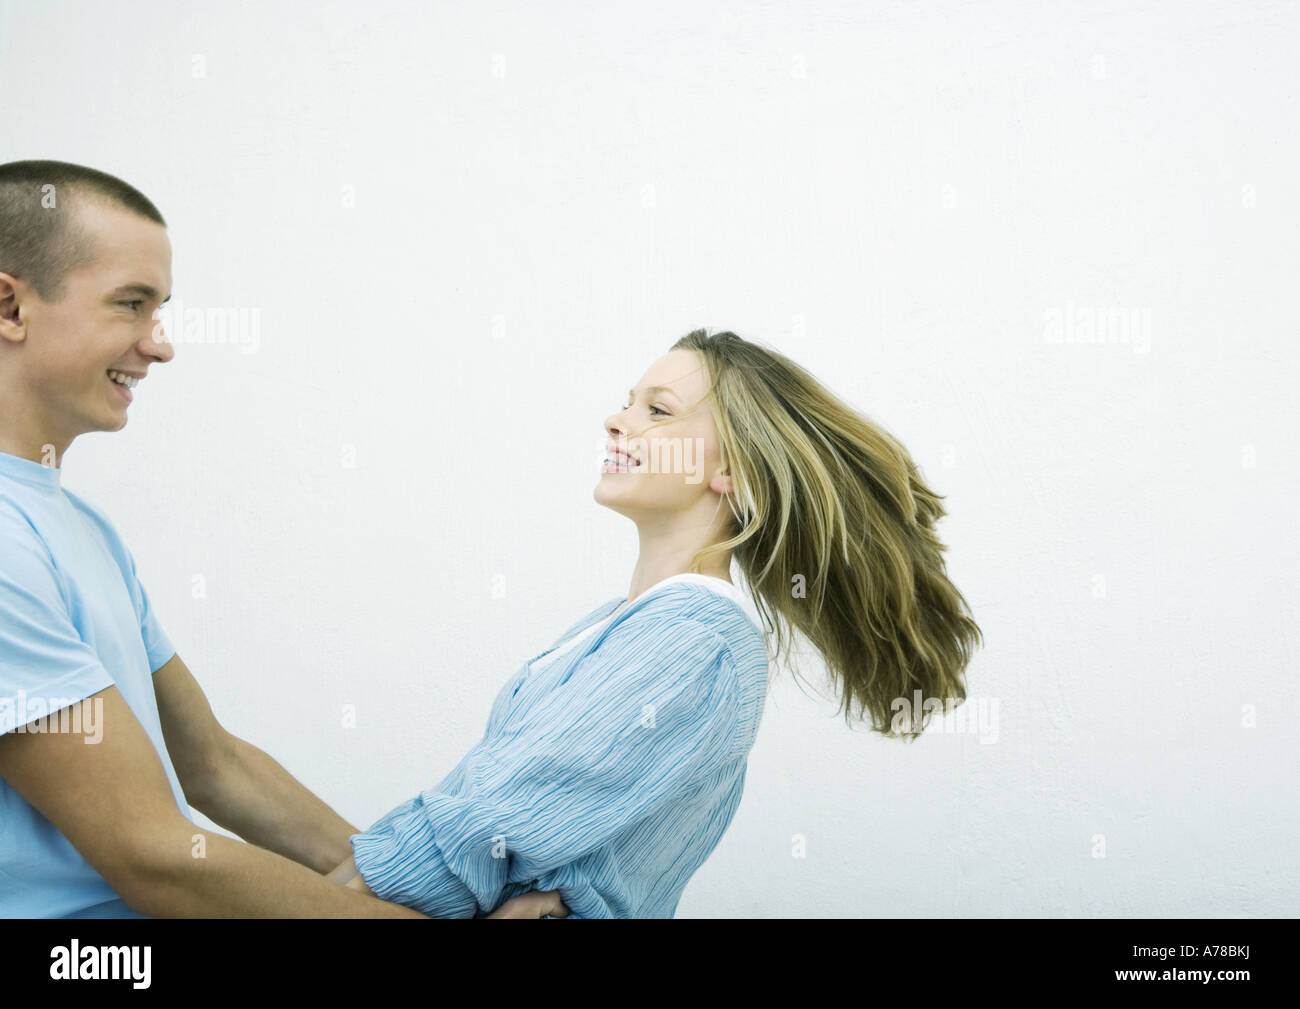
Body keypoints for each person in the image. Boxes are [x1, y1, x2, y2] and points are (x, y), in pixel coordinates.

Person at [0, 159, 563, 918]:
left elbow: (214, 764)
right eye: (131, 305)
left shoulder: (82, 528)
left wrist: (434, 893)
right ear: (10, 306)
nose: (159, 345)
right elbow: (152, 853)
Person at [323, 329, 985, 918]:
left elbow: (465, 850)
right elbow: (490, 844)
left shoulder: (695, 645)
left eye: (657, 411)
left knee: (213, 871)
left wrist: (321, 888)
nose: (617, 420)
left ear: (733, 470)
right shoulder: (627, 624)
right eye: (628, 401)